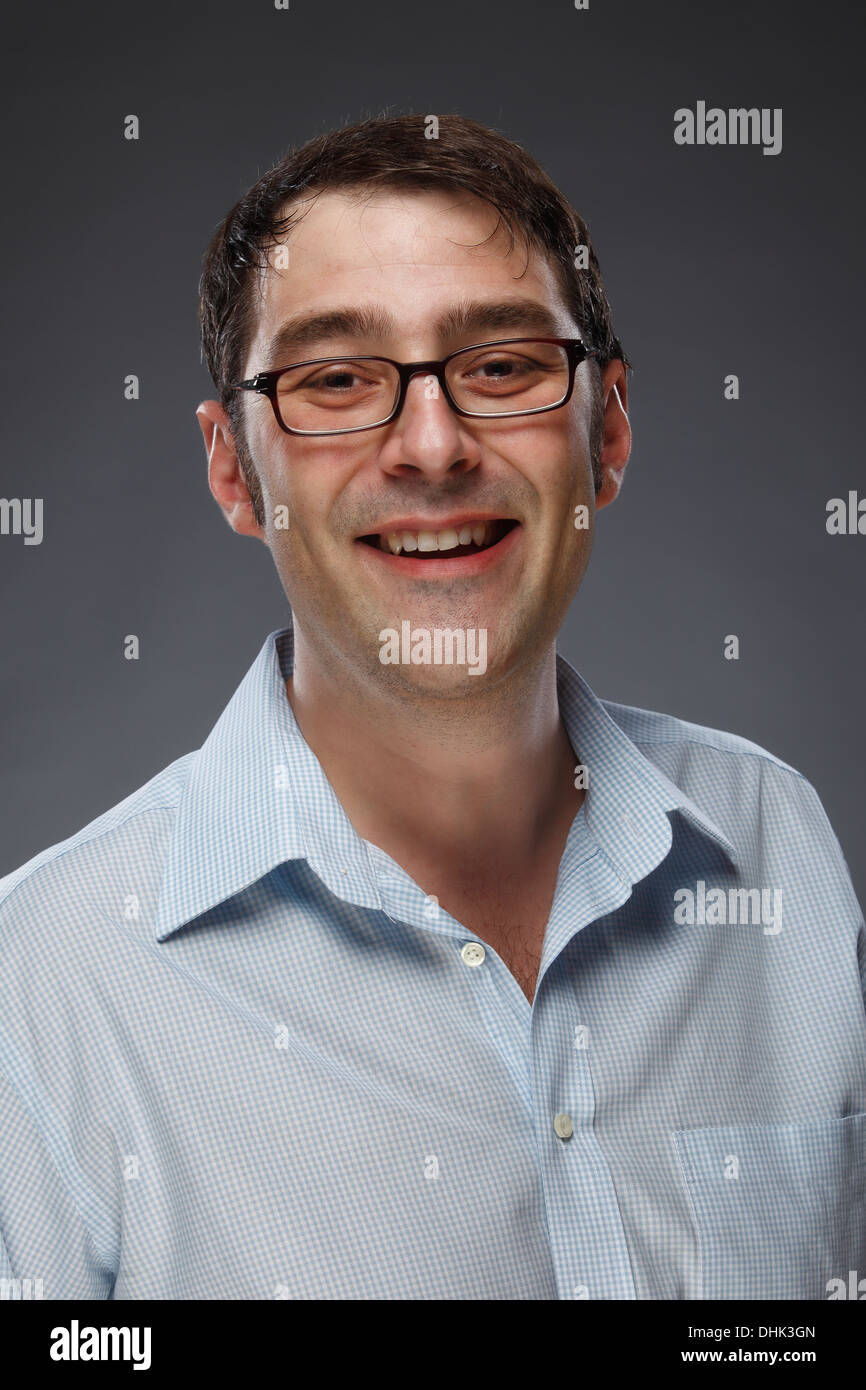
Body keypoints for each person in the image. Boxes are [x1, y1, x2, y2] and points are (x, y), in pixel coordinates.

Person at [1, 113, 863, 1302]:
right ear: (232, 471)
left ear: (604, 429)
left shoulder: (777, 844)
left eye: (501, 365)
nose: (431, 444)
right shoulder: (40, 985)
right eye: (336, 379)